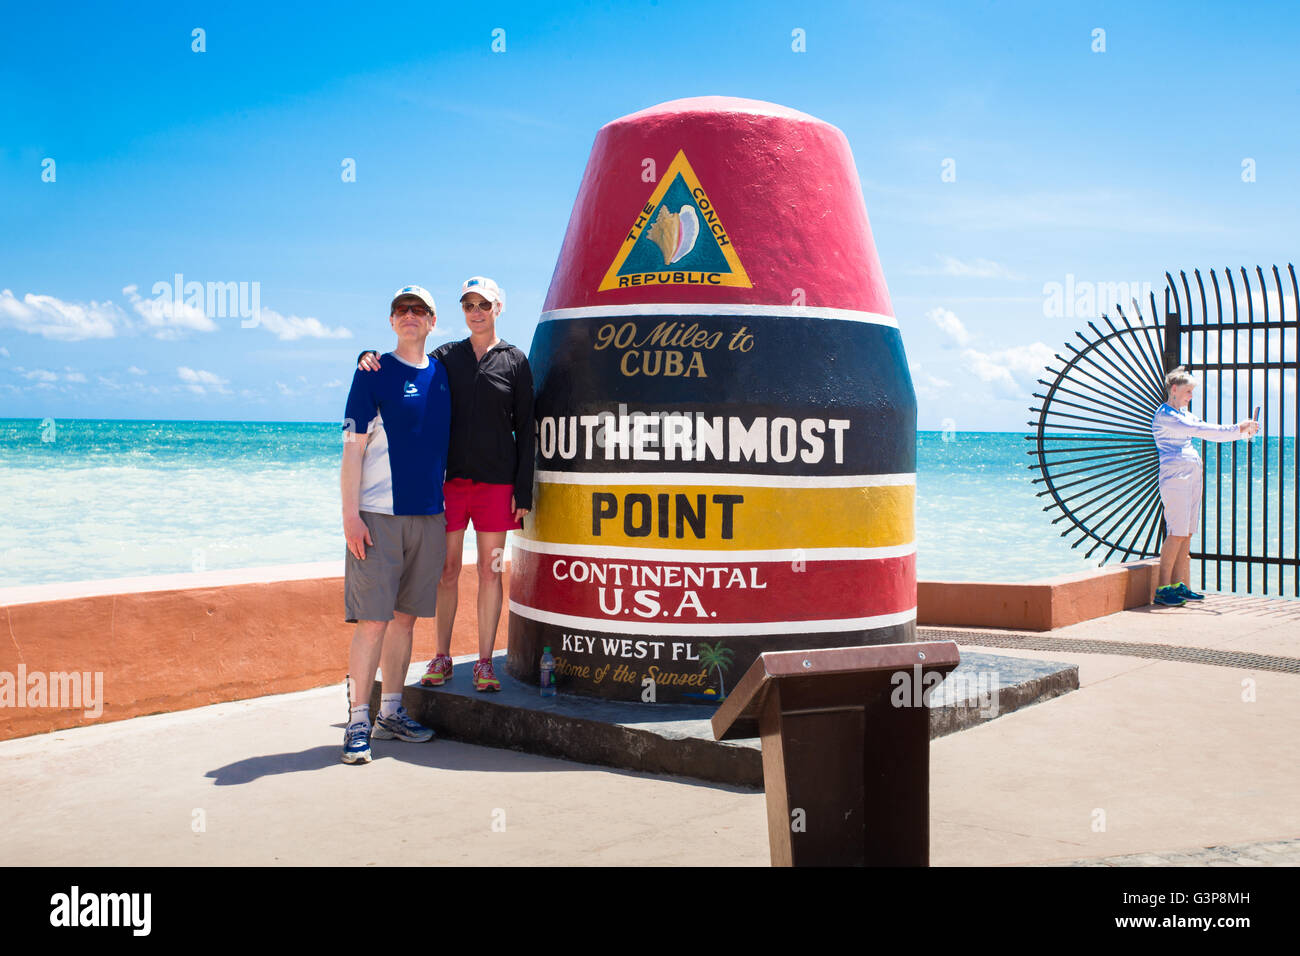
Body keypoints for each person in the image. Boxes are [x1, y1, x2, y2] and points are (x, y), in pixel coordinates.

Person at [357, 276, 534, 692]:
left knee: (490, 572)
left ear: (498, 309)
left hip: (497, 487)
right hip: (450, 486)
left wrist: (523, 491)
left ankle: (486, 662)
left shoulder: (515, 360)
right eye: (469, 305)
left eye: (483, 305)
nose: (476, 312)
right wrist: (368, 356)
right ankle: (442, 657)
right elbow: (408, 360)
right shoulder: (445, 357)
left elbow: (527, 429)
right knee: (447, 572)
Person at [340, 285, 451, 763]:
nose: (409, 316)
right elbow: (353, 450)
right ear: (391, 321)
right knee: (372, 622)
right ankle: (358, 721)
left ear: (431, 322)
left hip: (428, 517)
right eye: (401, 309)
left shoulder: (444, 374)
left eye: (419, 310)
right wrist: (350, 516)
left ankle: (391, 713)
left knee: (405, 620)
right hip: (377, 517)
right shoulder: (372, 374)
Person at [1151, 366, 1258, 607]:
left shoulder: (1184, 413)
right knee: (1176, 532)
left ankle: (1179, 585)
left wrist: (1242, 432)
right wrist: (1237, 428)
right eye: (1188, 391)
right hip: (1175, 476)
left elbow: (1207, 429)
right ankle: (1163, 587)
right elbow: (1201, 431)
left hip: (1190, 474)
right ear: (1174, 389)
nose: (1191, 396)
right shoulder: (1166, 416)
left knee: (1186, 532)